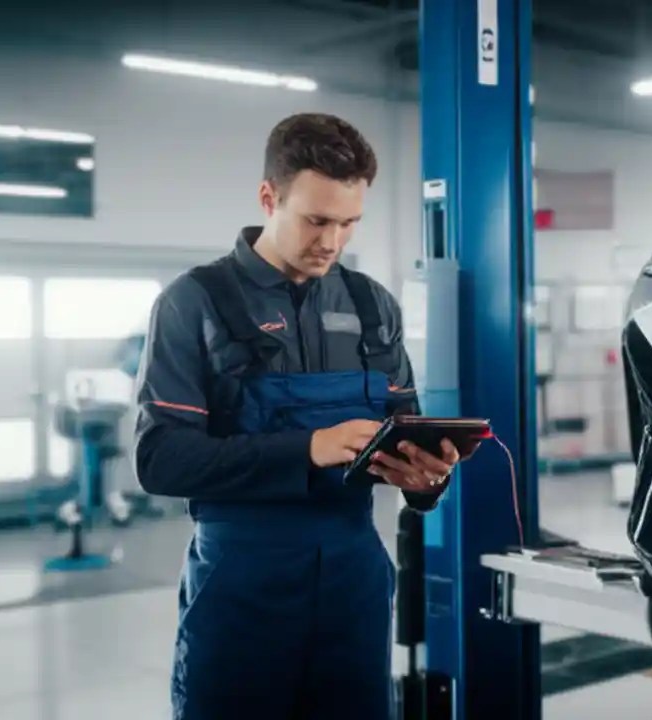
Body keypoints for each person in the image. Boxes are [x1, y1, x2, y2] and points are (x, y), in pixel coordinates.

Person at [132, 112, 460, 719]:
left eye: (349, 223)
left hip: (354, 574)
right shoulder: (195, 302)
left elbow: (405, 431)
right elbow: (159, 460)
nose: (332, 242)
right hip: (241, 578)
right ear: (268, 197)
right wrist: (307, 449)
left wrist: (424, 484)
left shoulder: (371, 306)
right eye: (316, 220)